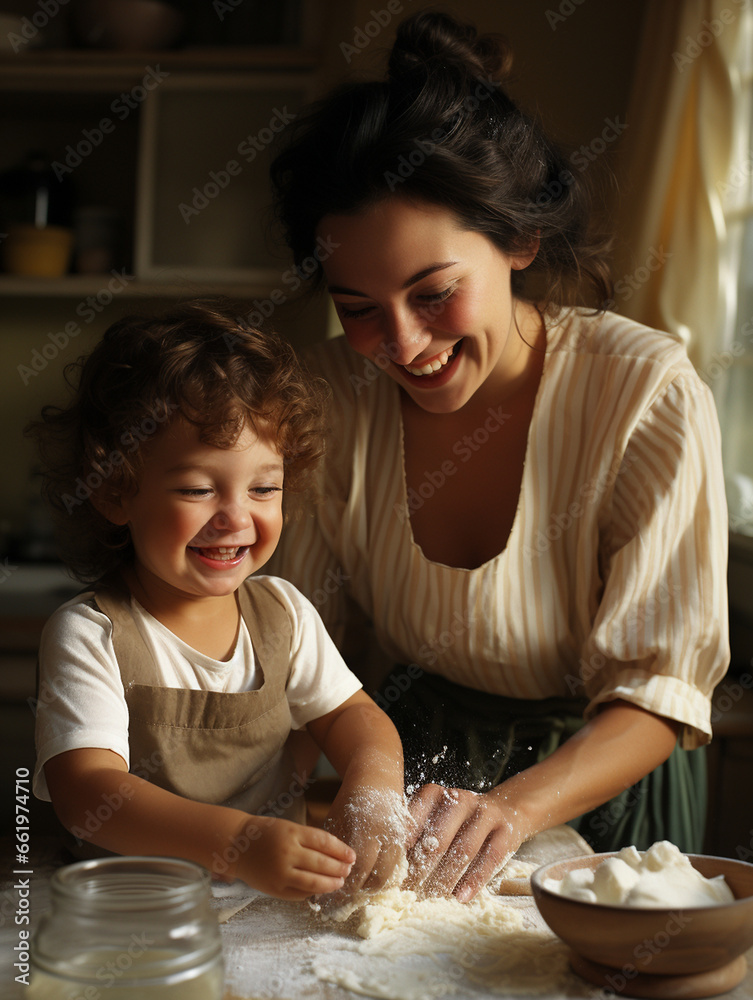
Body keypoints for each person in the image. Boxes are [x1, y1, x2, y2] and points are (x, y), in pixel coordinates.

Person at [266, 10, 731, 902]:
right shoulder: (324, 395)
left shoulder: (642, 392)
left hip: (597, 782)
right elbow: (307, 653)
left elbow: (657, 692)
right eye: (356, 306)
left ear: (520, 240)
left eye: (433, 293)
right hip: (404, 770)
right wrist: (262, 802)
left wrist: (512, 813)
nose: (399, 343)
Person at [27, 300, 405, 901]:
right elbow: (87, 793)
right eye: (199, 488)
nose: (236, 518)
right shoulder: (90, 634)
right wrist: (239, 842)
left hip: (277, 909)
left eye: (264, 488)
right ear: (115, 493)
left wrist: (372, 789)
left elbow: (356, 720)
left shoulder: (284, 614)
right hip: (139, 910)